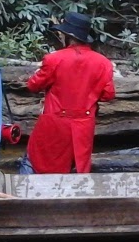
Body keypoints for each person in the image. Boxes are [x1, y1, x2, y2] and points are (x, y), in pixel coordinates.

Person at [23, 12, 115, 174]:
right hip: (83, 127)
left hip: (55, 125)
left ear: (68, 36)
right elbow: (108, 95)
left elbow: (33, 85)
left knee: (33, 162)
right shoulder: (103, 63)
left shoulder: (54, 59)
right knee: (76, 171)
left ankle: (20, 197)